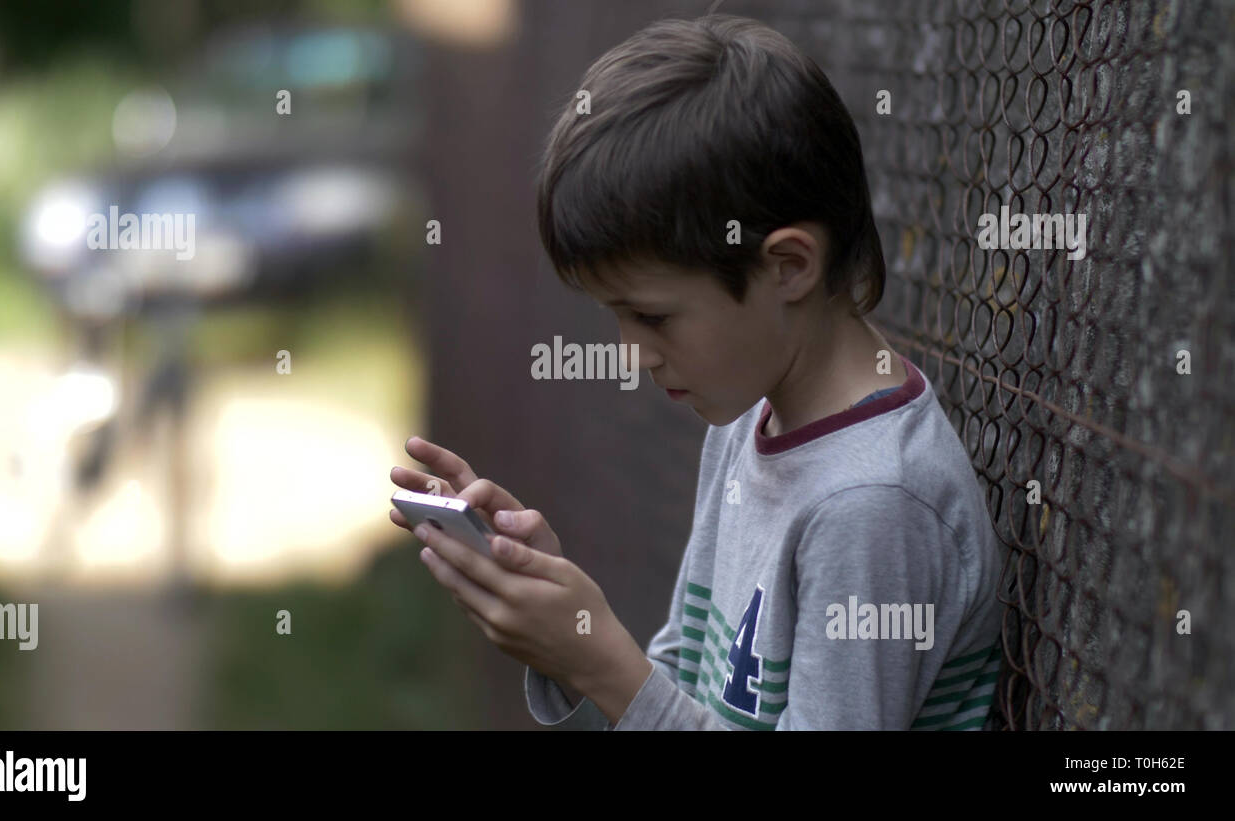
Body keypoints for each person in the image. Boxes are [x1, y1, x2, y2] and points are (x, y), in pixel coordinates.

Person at [388, 14, 1004, 730]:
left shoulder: (871, 506)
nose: (632, 352)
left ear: (787, 266)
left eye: (652, 317)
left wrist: (602, 664)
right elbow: (682, 685)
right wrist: (568, 629)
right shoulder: (751, 421)